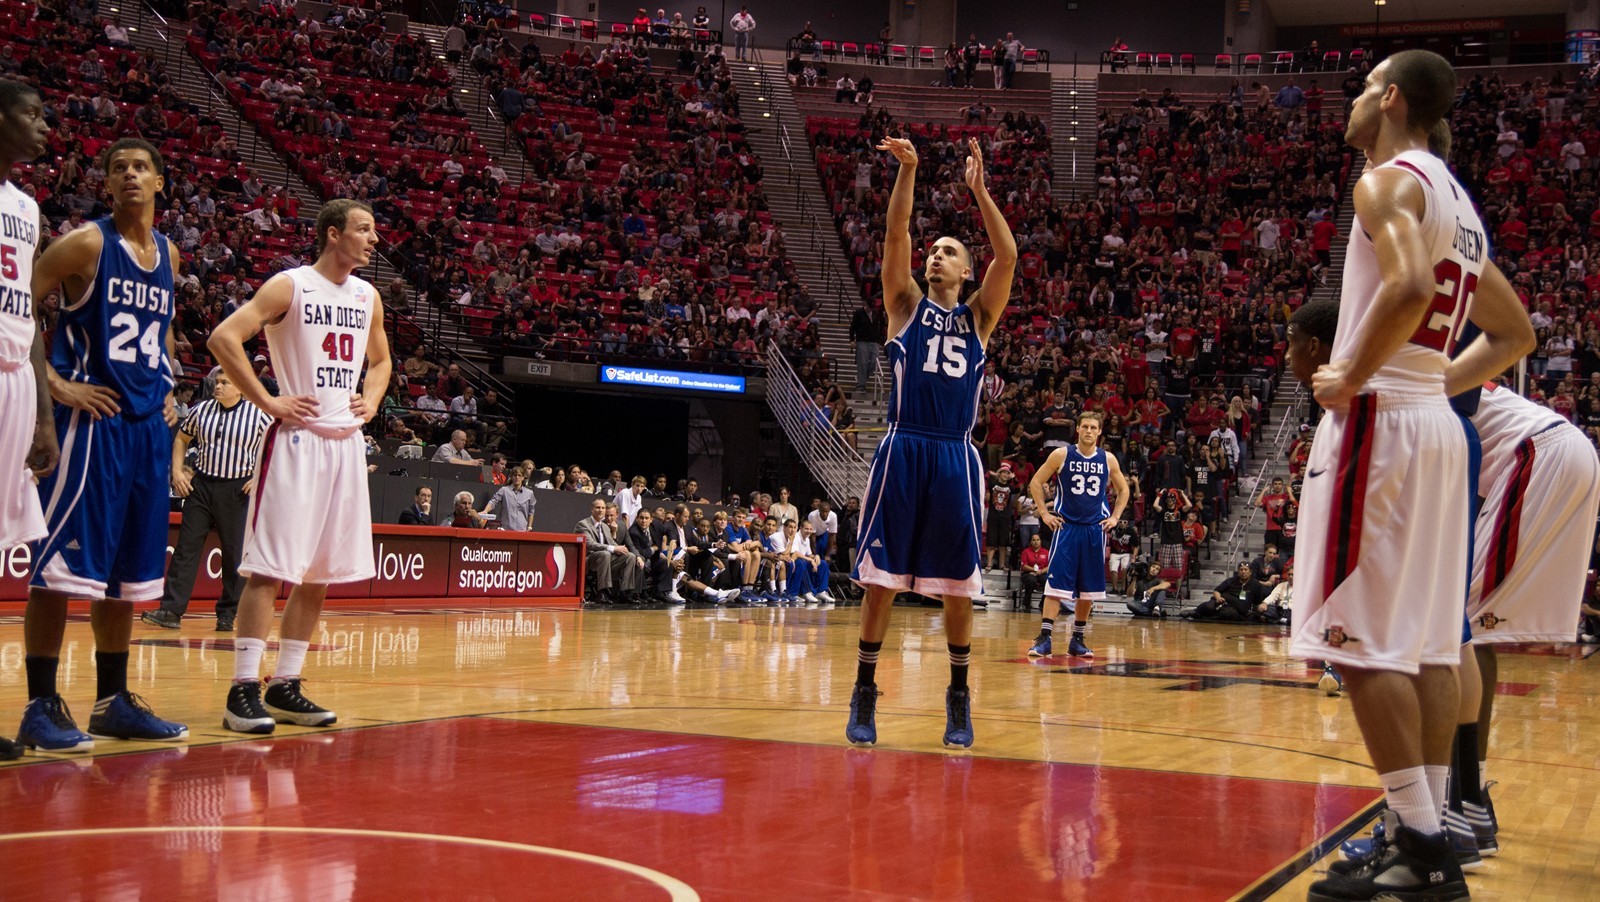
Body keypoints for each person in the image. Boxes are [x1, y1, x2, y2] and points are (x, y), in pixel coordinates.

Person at [1288, 51, 1536, 901]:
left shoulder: (1385, 181)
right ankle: (1420, 834)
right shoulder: (1460, 204)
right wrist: (1432, 381)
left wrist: (1350, 374)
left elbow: (1406, 284)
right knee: (1431, 646)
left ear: (1391, 100)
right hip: (1435, 427)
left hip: (1384, 425)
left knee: (1355, 643)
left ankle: (1422, 845)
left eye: (1363, 89)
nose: (1353, 103)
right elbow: (1513, 336)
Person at [18, 137, 188, 753]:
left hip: (146, 426)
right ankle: (39, 706)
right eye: (119, 169)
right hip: (92, 425)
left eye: (142, 166)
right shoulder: (89, 243)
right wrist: (58, 386)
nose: (130, 175)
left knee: (124, 578)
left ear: (161, 182)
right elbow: (20, 299)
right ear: (108, 186)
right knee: (61, 571)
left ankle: (112, 702)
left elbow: (162, 328)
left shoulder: (168, 253)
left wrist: (169, 384)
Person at [848, 135, 1017, 751]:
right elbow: (896, 234)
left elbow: (1010, 254)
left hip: (953, 452)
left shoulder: (979, 317)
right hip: (903, 446)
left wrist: (979, 191)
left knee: (957, 583)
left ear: (966, 270)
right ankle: (865, 690)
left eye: (949, 251)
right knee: (881, 579)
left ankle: (959, 695)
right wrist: (909, 171)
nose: (936, 256)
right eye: (934, 250)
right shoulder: (903, 305)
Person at [207, 198, 393, 735]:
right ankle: (242, 689)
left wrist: (373, 400)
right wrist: (269, 401)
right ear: (333, 234)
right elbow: (223, 338)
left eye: (373, 230)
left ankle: (286, 685)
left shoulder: (367, 296)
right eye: (363, 229)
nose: (373, 238)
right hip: (296, 441)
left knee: (319, 575)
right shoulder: (289, 285)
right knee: (270, 569)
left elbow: (380, 361)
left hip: (344, 444)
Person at [0, 79, 57, 759]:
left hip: (16, 380)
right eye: (32, 112)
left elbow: (28, 314)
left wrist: (43, 412)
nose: (45, 124)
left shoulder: (26, 206)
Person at [142, 372, 270, 632]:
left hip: (237, 490)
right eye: (218, 382)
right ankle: (171, 610)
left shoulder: (258, 415)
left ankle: (228, 614)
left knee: (234, 554)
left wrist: (260, 478)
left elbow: (275, 447)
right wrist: (177, 472)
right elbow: (181, 438)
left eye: (226, 382)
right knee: (186, 549)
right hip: (201, 486)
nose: (218, 386)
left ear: (242, 388)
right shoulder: (201, 411)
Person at [1027, 411, 1129, 658]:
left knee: (1089, 589)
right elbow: (1035, 482)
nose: (1089, 431)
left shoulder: (1108, 459)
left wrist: (1115, 517)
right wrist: (1044, 513)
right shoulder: (1062, 454)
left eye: (1094, 427)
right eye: (1085, 427)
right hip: (1067, 528)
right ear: (1078, 430)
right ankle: (1045, 638)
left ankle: (1077, 640)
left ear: (1100, 431)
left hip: (1095, 529)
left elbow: (1123, 489)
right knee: (1055, 586)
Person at [576, 496, 645, 604]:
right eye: (598, 507)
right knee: (605, 554)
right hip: (590, 560)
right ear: (592, 509)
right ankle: (602, 592)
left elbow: (612, 543)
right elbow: (590, 544)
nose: (601, 510)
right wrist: (612, 548)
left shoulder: (604, 526)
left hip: (605, 560)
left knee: (630, 556)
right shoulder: (583, 524)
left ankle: (625, 592)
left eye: (603, 508)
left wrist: (621, 549)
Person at [484, 465, 536, 530]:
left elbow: (531, 511)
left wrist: (529, 526)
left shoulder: (529, 493)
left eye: (519, 475)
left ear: (523, 477)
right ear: (511, 477)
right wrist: (485, 511)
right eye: (515, 475)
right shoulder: (504, 490)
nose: (517, 477)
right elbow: (493, 501)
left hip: (521, 528)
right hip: (506, 528)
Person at [1017, 532, 1048, 612]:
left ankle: (1042, 603)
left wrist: (1040, 571)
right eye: (1034, 540)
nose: (1036, 542)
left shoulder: (1046, 552)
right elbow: (1024, 566)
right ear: (1031, 542)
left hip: (1042, 572)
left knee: (1047, 582)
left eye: (1038, 540)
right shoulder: (1026, 552)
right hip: (1028, 572)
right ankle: (1026, 603)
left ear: (1040, 541)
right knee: (1031, 581)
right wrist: (1034, 570)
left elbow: (1049, 566)